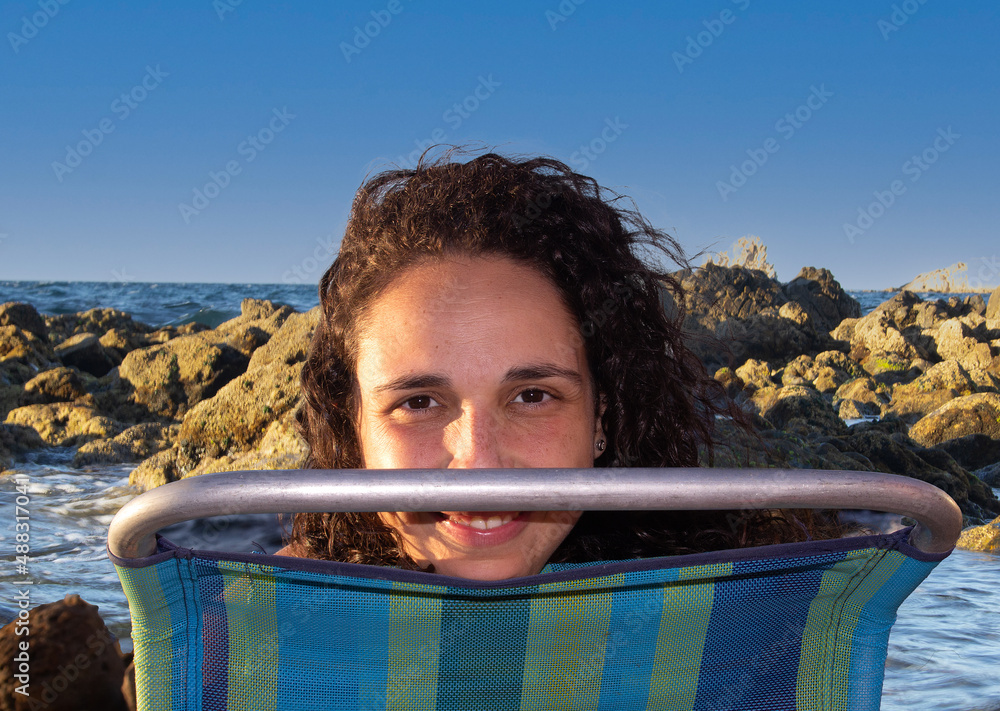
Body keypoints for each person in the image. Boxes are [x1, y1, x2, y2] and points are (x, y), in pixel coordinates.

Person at [277, 150, 840, 579]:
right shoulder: (241, 632)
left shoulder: (736, 626)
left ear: (602, 417)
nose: (480, 468)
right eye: (418, 402)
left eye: (532, 395)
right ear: (353, 432)